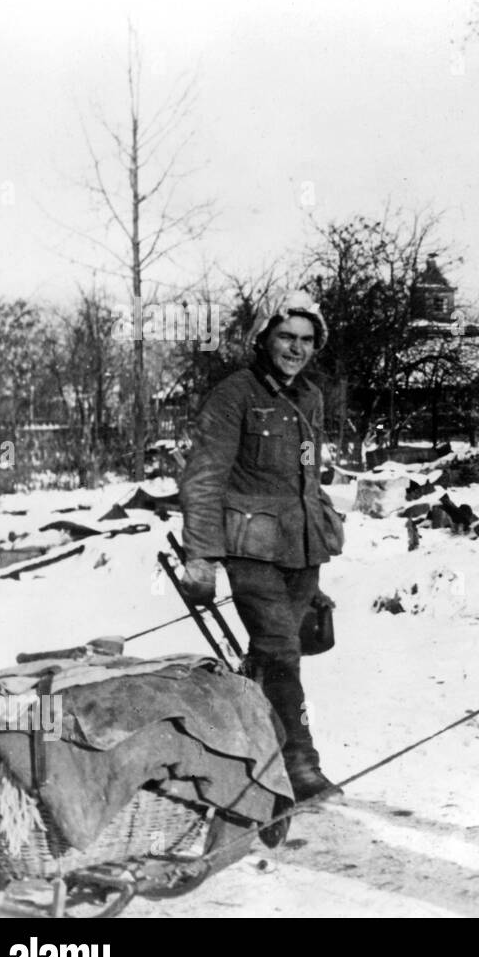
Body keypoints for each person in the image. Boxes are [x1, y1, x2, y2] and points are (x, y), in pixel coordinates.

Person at [178, 289, 346, 802]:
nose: (295, 349)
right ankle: (300, 765)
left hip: (301, 547)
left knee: (274, 654)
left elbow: (307, 477)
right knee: (281, 651)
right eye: (285, 337)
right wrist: (200, 555)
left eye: (306, 341)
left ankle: (247, 743)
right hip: (249, 546)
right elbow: (204, 478)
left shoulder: (309, 397)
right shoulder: (234, 395)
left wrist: (324, 529)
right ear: (264, 339)